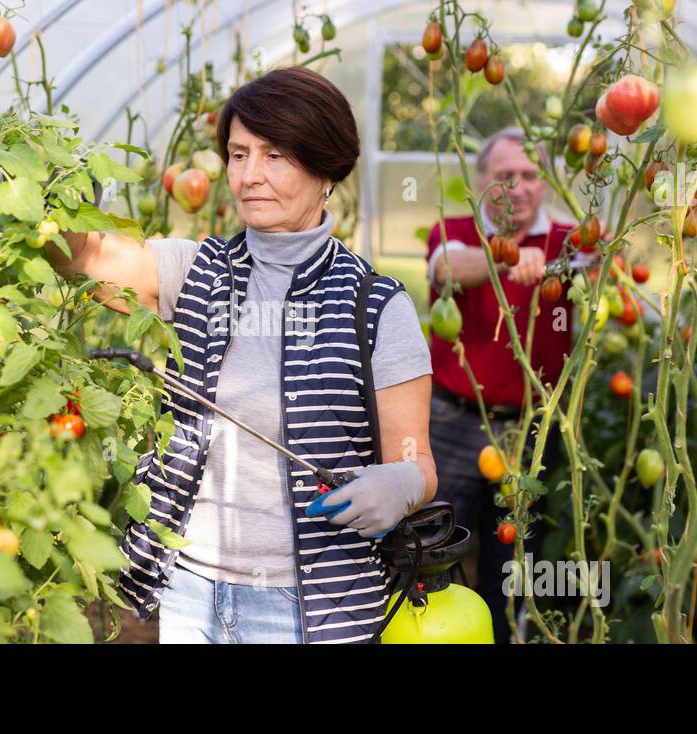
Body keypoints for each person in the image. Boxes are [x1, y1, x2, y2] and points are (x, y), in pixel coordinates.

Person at [47, 67, 436, 644]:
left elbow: (419, 462)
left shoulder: (374, 305)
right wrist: (52, 189)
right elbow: (83, 256)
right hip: (192, 591)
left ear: (326, 168)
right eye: (238, 154)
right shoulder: (195, 270)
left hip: (312, 604)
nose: (250, 176)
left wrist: (398, 483)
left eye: (274, 156)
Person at [425, 126, 574, 643]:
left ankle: (506, 635)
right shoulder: (457, 229)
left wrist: (585, 264)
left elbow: (608, 273)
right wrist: (505, 254)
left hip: (531, 431)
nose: (519, 186)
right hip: (452, 421)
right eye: (505, 175)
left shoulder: (567, 242)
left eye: (530, 175)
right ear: (484, 180)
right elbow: (445, 268)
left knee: (512, 564)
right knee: (431, 553)